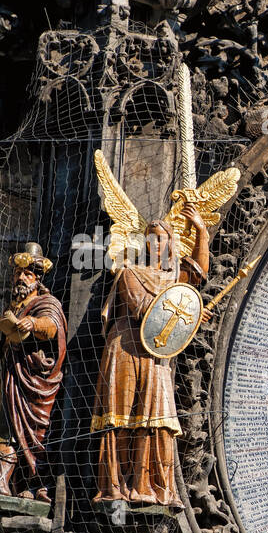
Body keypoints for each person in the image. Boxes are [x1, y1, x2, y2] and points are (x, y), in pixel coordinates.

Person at [92, 208, 210, 509]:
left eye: (161, 239)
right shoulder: (130, 273)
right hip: (126, 347)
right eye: (151, 240)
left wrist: (201, 231)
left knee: (159, 419)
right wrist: (186, 314)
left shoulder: (174, 278)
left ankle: (154, 487)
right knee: (119, 418)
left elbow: (199, 273)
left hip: (156, 356)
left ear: (171, 243)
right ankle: (115, 486)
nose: (155, 245)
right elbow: (145, 310)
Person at [0, 242, 67, 501]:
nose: (20, 278)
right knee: (6, 429)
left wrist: (31, 322)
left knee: (37, 433)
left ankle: (39, 485)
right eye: (17, 273)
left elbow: (52, 326)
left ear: (37, 278)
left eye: (27, 273)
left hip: (35, 382)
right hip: (11, 380)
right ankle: (1, 481)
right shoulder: (11, 311)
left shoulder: (46, 302)